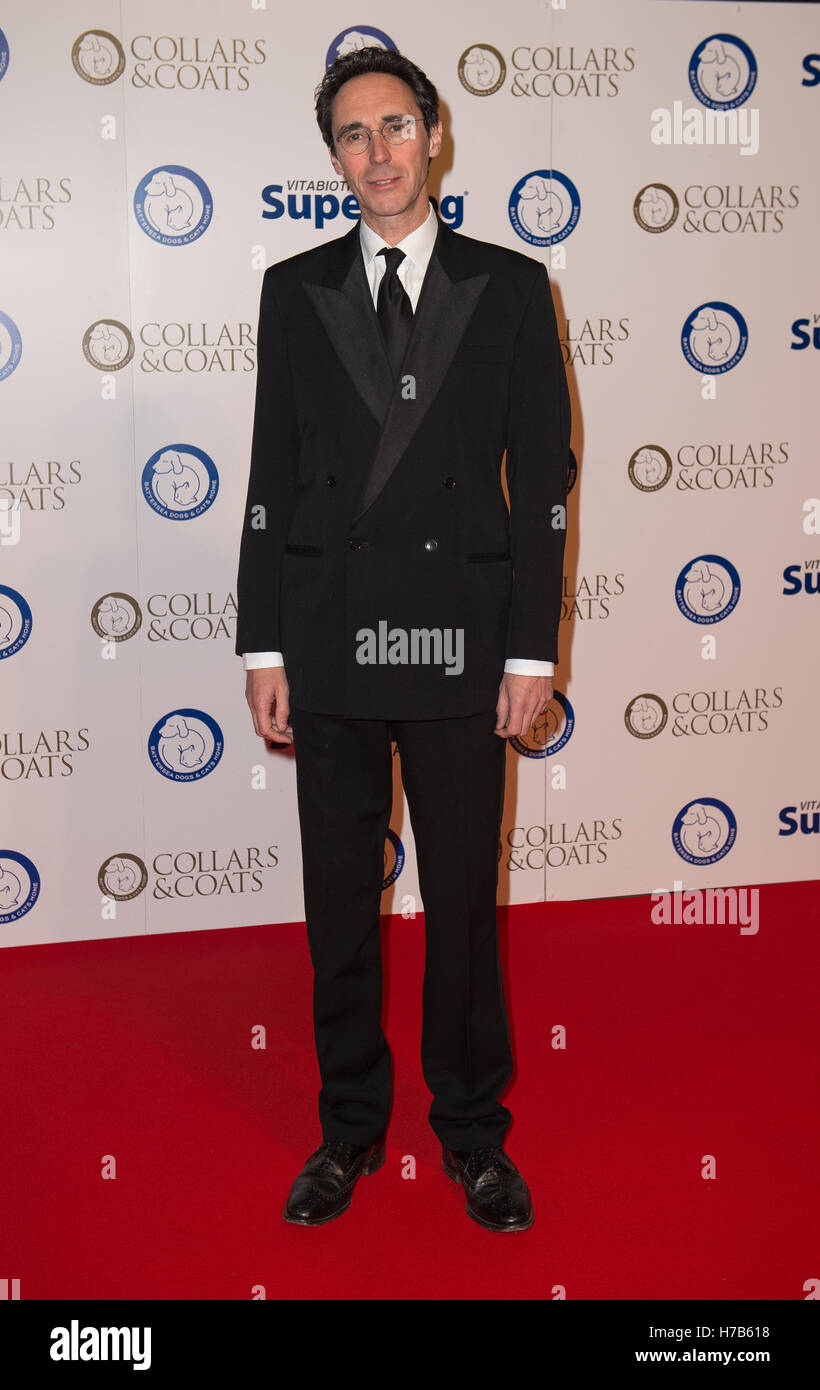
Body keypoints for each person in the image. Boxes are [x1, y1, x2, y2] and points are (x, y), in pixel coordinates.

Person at [235, 46, 570, 1232]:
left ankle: (473, 1132)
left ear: (432, 135)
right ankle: (348, 1127)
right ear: (332, 157)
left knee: (463, 905)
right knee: (340, 901)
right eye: (351, 134)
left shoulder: (509, 285)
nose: (375, 152)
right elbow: (271, 472)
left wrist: (529, 651)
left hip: (457, 644)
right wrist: (261, 644)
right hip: (329, 638)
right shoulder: (295, 288)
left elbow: (543, 479)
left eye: (392, 126)